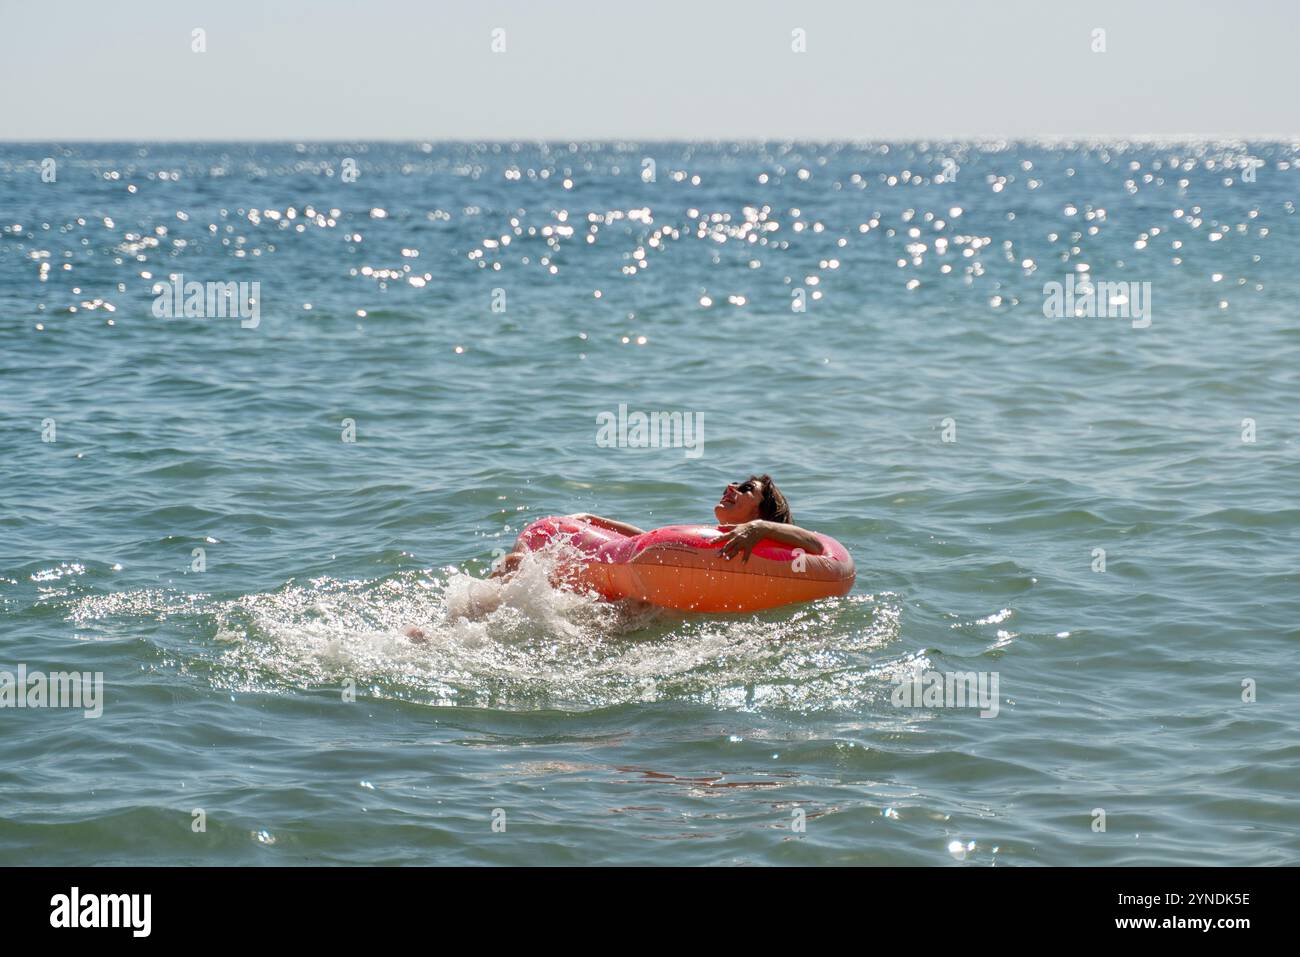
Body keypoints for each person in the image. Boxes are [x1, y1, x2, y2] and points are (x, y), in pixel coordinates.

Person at [489, 473, 823, 579]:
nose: (730, 488)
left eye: (746, 489)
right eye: (734, 483)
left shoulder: (762, 540)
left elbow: (815, 544)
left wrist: (758, 530)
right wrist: (592, 520)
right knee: (515, 564)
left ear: (763, 513)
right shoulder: (707, 538)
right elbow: (644, 542)